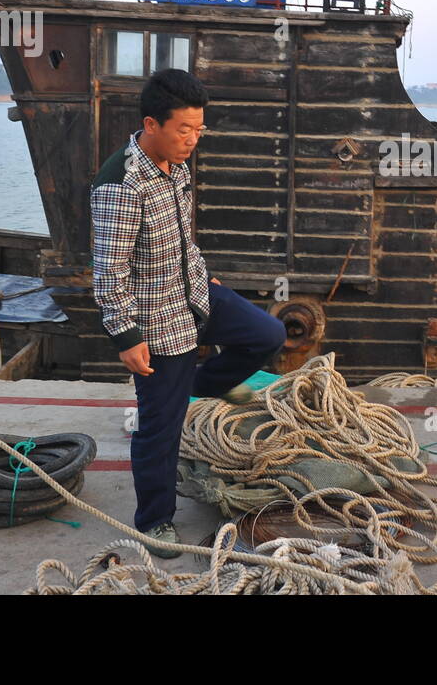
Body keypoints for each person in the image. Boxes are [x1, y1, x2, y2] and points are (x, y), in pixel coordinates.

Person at [90, 68, 287, 557]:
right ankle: (154, 521)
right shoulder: (120, 183)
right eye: (185, 130)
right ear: (151, 123)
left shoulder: (176, 167)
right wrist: (125, 336)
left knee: (266, 334)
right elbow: (108, 271)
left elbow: (181, 235)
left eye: (200, 130)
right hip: (155, 320)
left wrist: (200, 270)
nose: (193, 140)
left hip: (195, 292)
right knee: (160, 427)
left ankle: (201, 385)